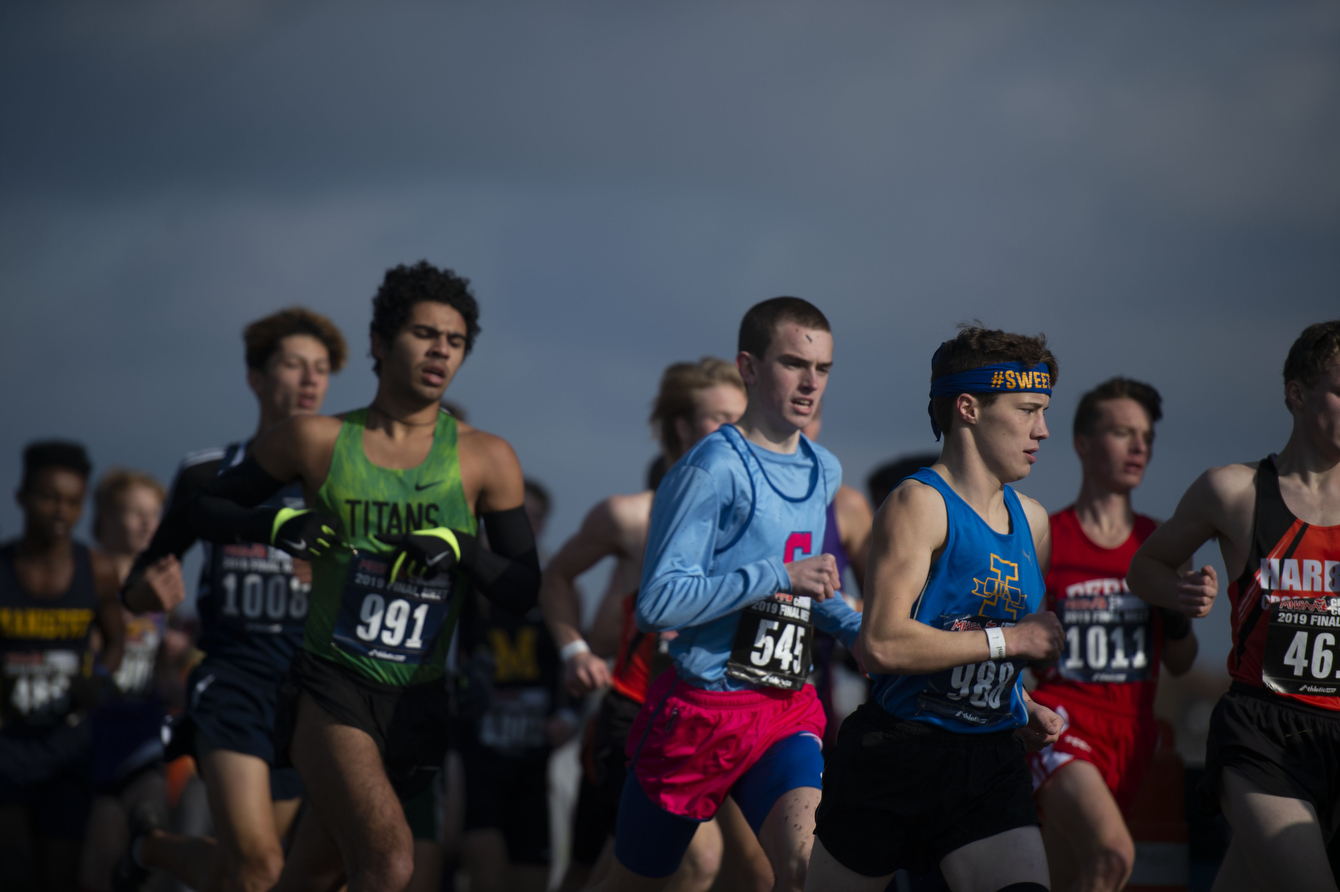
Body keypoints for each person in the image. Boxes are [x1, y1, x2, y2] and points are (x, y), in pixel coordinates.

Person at [188, 261, 542, 892]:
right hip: (332, 687)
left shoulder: (488, 458)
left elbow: (522, 587)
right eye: (424, 334)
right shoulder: (315, 439)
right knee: (390, 861)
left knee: (312, 874)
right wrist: (278, 528)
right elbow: (209, 508)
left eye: (455, 341)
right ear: (380, 343)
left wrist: (462, 548)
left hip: (420, 701)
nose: (440, 350)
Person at [592, 297, 863, 892]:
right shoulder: (709, 469)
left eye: (823, 368)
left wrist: (860, 634)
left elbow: (810, 587)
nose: (811, 382)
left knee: (804, 870)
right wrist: (777, 575)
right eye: (794, 363)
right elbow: (659, 603)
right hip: (700, 713)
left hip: (783, 708)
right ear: (748, 367)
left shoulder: (826, 470)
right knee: (638, 883)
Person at [807, 325, 1066, 892]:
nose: (1042, 430)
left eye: (1043, 411)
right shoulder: (918, 503)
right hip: (897, 753)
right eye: (1026, 410)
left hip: (989, 761)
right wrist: (1012, 644)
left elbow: (975, 634)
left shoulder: (1035, 521)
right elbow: (881, 643)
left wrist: (1019, 703)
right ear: (968, 408)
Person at [116, 307, 347, 892]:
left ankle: (150, 847)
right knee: (261, 867)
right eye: (294, 365)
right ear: (256, 378)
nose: (310, 380)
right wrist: (146, 592)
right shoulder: (208, 474)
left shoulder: (345, 485)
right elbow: (142, 579)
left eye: (321, 369)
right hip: (233, 683)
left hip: (306, 695)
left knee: (257, 876)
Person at [1128, 320, 1340, 892]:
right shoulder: (1235, 490)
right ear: (1297, 394)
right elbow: (1144, 566)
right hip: (1264, 731)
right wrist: (1177, 593)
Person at [543, 358, 749, 892]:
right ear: (683, 427)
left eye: (742, 417)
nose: (737, 431)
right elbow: (557, 577)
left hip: (725, 712)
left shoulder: (758, 516)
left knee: (754, 870)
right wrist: (574, 651)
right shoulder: (632, 516)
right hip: (639, 712)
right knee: (688, 860)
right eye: (721, 418)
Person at [1026, 378, 1199, 892]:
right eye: (1122, 432)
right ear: (1082, 443)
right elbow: (1022, 647)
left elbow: (1183, 662)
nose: (1138, 446)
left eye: (1145, 435)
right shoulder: (1046, 535)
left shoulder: (1163, 543)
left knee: (1066, 876)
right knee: (1112, 855)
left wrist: (1177, 614)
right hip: (1064, 719)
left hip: (1133, 730)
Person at [0, 441, 126, 892]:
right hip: (8, 748)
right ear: (21, 497)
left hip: (67, 748)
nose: (60, 511)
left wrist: (100, 679)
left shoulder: (97, 569)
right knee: (13, 870)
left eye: (73, 502)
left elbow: (116, 641)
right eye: (49, 497)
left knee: (60, 876)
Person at [458, 478, 574, 892]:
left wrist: (569, 715)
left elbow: (574, 661)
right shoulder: (467, 580)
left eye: (536, 516)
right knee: (486, 874)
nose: (528, 524)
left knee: (533, 878)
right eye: (518, 515)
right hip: (478, 754)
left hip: (533, 755)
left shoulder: (556, 584)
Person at [83, 469, 180, 892]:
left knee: (155, 822)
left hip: (142, 730)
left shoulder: (159, 587)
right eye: (134, 512)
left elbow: (162, 669)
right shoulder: (83, 579)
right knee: (105, 833)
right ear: (104, 519)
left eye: (154, 513)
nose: (147, 522)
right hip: (90, 734)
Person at [800, 402, 873, 752]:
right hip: (727, 688)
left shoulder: (846, 505)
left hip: (812, 687)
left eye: (810, 417)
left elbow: (891, 602)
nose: (798, 429)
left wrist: (847, 610)